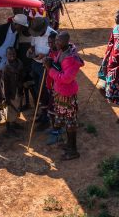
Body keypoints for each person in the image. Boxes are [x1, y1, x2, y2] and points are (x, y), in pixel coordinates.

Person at [45, 31, 84, 160]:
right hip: (61, 93)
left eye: (59, 41)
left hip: (67, 94)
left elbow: (66, 78)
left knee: (70, 123)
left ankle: (73, 151)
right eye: (56, 40)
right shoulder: (63, 51)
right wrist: (51, 62)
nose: (56, 43)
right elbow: (60, 67)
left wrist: (50, 69)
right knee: (67, 122)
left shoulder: (71, 58)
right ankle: (69, 145)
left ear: (67, 42)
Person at [27, 17, 56, 128]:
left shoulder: (52, 35)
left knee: (43, 91)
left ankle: (47, 119)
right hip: (35, 64)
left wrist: (46, 56)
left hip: (45, 66)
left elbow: (55, 52)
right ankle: (43, 114)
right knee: (37, 90)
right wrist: (31, 50)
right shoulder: (35, 33)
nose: (36, 35)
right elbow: (33, 44)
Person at [2, 47, 24, 137]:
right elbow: (4, 83)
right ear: (6, 56)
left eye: (13, 53)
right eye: (9, 54)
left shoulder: (19, 63)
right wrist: (6, 97)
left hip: (18, 90)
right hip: (10, 92)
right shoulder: (6, 68)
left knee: (16, 107)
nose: (12, 56)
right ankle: (8, 128)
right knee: (9, 110)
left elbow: (22, 76)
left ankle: (14, 123)